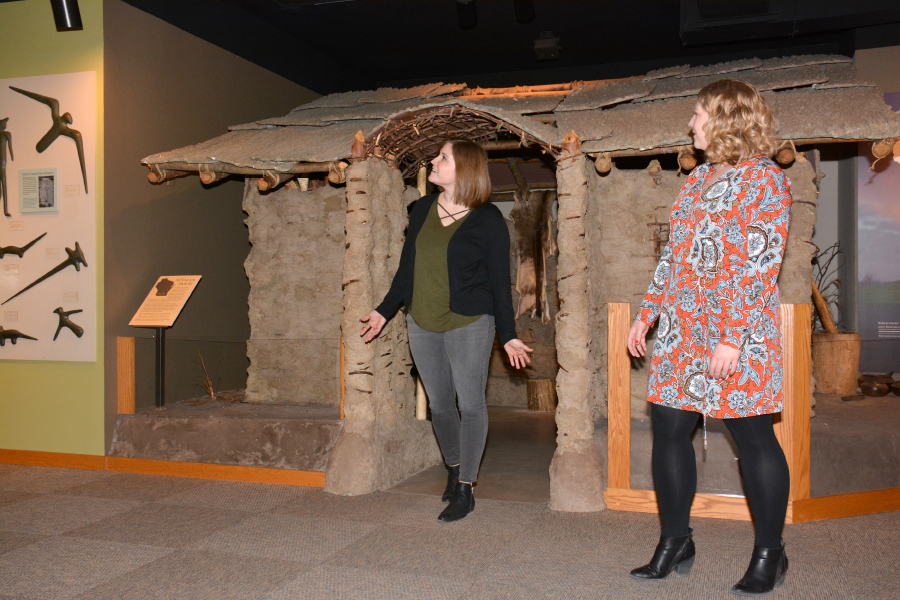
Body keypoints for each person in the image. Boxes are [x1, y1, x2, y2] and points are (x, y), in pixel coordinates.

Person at [626, 79, 793, 597]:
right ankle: (675, 540)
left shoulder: (765, 179)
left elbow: (761, 266)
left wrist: (733, 337)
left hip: (736, 334)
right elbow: (674, 255)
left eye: (698, 113)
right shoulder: (696, 181)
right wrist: (647, 313)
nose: (691, 122)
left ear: (724, 118)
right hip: (680, 330)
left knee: (753, 437)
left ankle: (770, 552)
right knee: (668, 428)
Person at [360, 139, 533, 523]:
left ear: (465, 169)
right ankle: (454, 469)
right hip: (421, 320)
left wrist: (507, 334)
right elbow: (407, 270)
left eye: (442, 158)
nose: (433, 162)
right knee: (440, 404)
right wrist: (384, 311)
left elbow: (499, 282)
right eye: (437, 156)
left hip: (469, 321)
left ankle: (467, 488)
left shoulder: (488, 219)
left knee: (470, 404)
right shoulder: (421, 208)